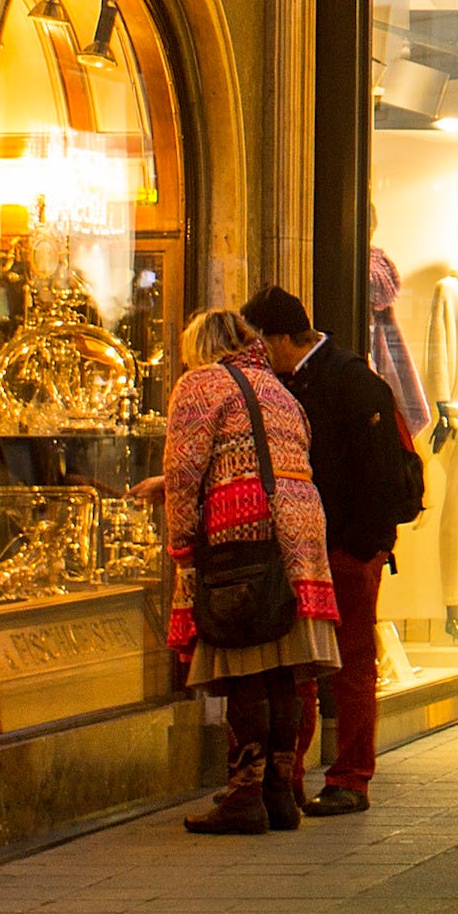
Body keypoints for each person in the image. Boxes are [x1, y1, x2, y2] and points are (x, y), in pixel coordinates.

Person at [149, 308, 343, 836]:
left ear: (201, 347)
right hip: (300, 531)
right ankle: (279, 791)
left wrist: (182, 544)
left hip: (243, 529)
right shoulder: (277, 389)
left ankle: (243, 795)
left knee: (245, 663)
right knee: (283, 669)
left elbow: (186, 467)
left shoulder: (201, 384)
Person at [242, 286, 421, 814]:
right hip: (306, 548)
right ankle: (290, 776)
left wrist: (364, 546)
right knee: (300, 666)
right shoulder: (291, 380)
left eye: (258, 345)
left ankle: (350, 779)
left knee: (351, 667)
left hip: (344, 548)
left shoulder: (350, 379)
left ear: (278, 339)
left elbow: (381, 472)